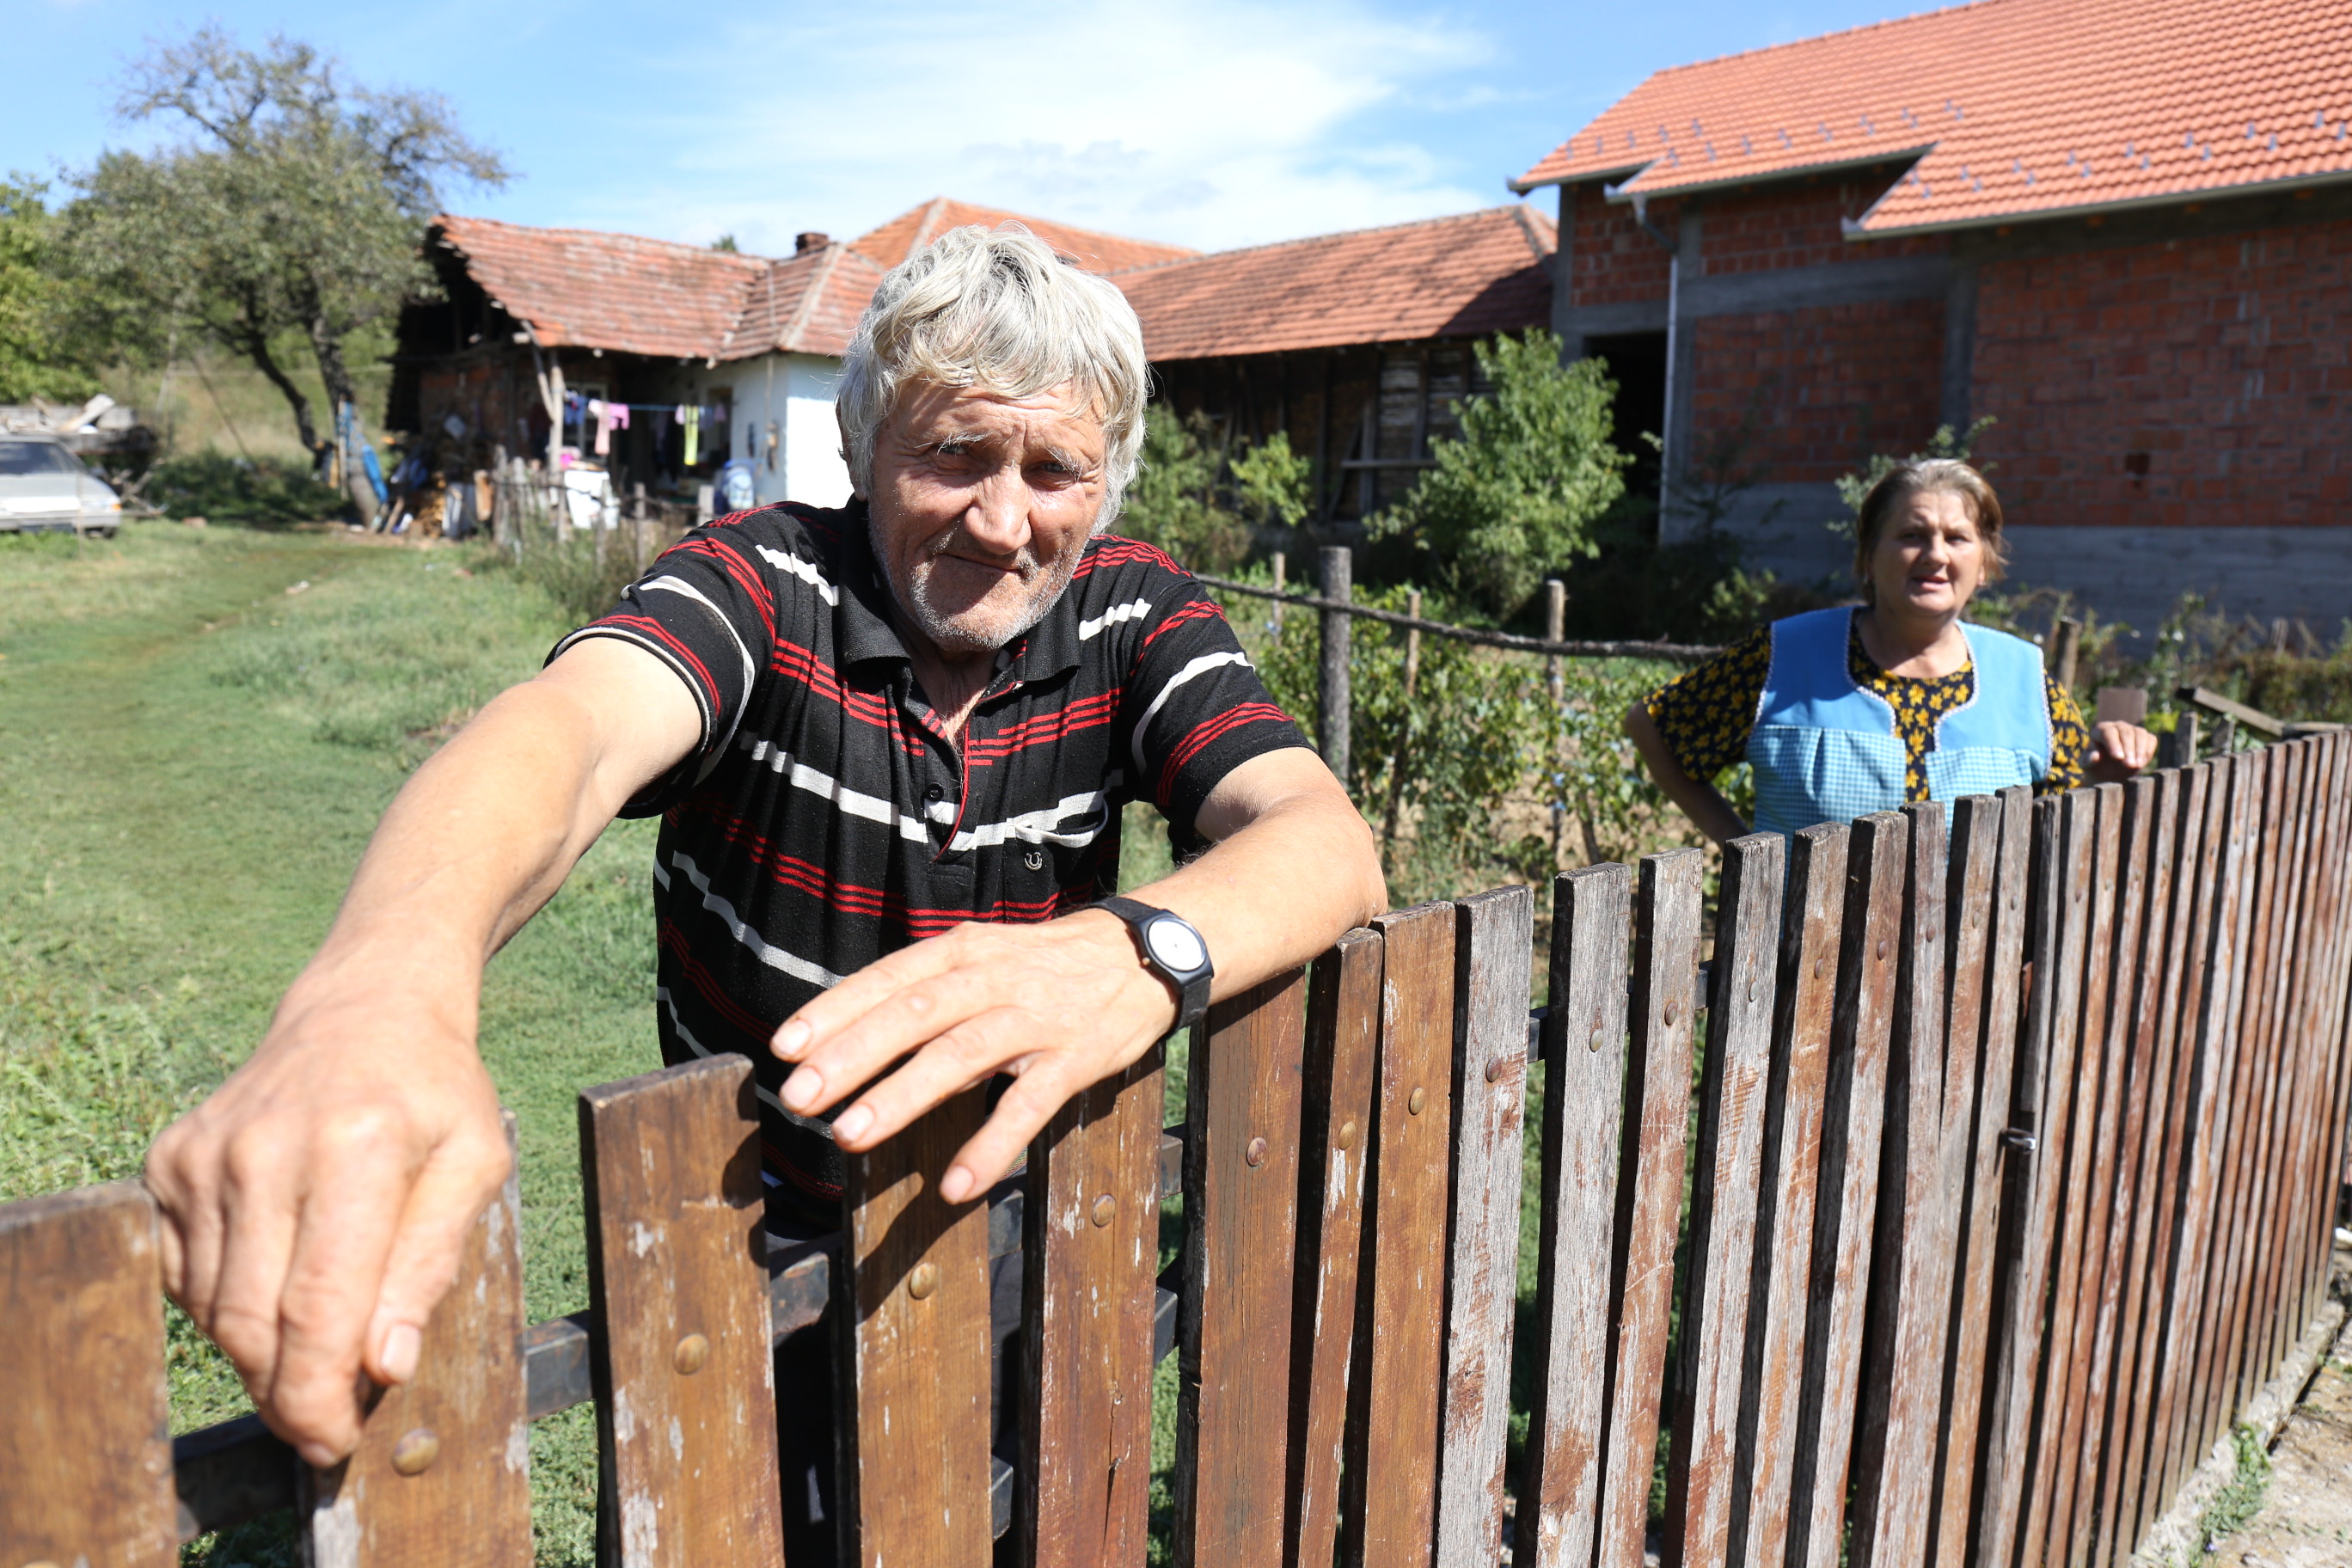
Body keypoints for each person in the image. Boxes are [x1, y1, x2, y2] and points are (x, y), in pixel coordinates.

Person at [142, 226, 1386, 1487]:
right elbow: (567, 735)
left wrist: (1130, 950)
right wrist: (383, 986)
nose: (1003, 521)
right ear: (860, 447)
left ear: (1106, 484)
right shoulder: (762, 582)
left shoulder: (1136, 611)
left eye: (1055, 469)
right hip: (750, 1251)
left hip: (1033, 1228)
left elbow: (1322, 838)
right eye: (954, 451)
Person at [1626, 458, 2157, 842]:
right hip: (1806, 971)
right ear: (1868, 554)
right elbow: (1654, 726)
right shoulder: (1785, 656)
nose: (1935, 555)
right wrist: (1740, 847)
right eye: (1911, 534)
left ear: (1986, 562)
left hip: (1967, 971)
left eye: (1957, 538)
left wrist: (2102, 778)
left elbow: (2058, 817)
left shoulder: (2024, 677)